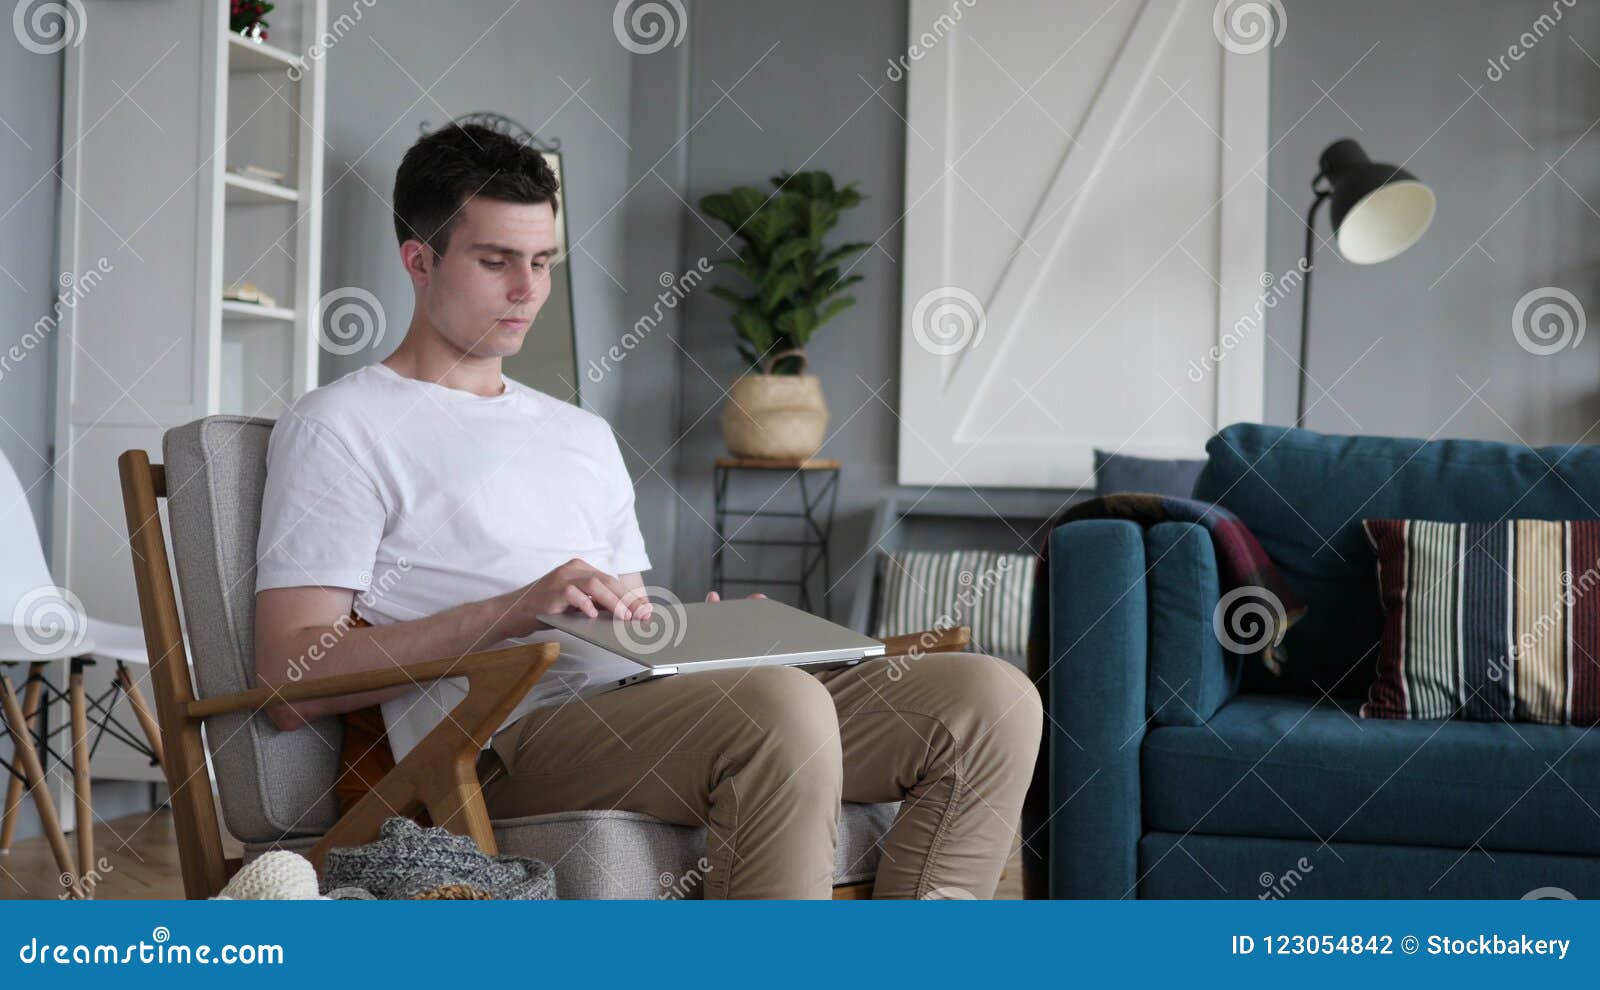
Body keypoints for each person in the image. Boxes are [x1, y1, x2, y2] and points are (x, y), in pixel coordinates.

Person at [252, 123, 1042, 899]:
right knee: (777, 709)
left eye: (542, 262)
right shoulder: (341, 426)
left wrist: (708, 640)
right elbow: (291, 679)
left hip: (641, 710)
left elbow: (627, 623)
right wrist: (515, 610)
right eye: (496, 262)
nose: (528, 290)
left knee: (990, 700)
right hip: (501, 740)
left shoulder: (580, 433)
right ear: (419, 262)